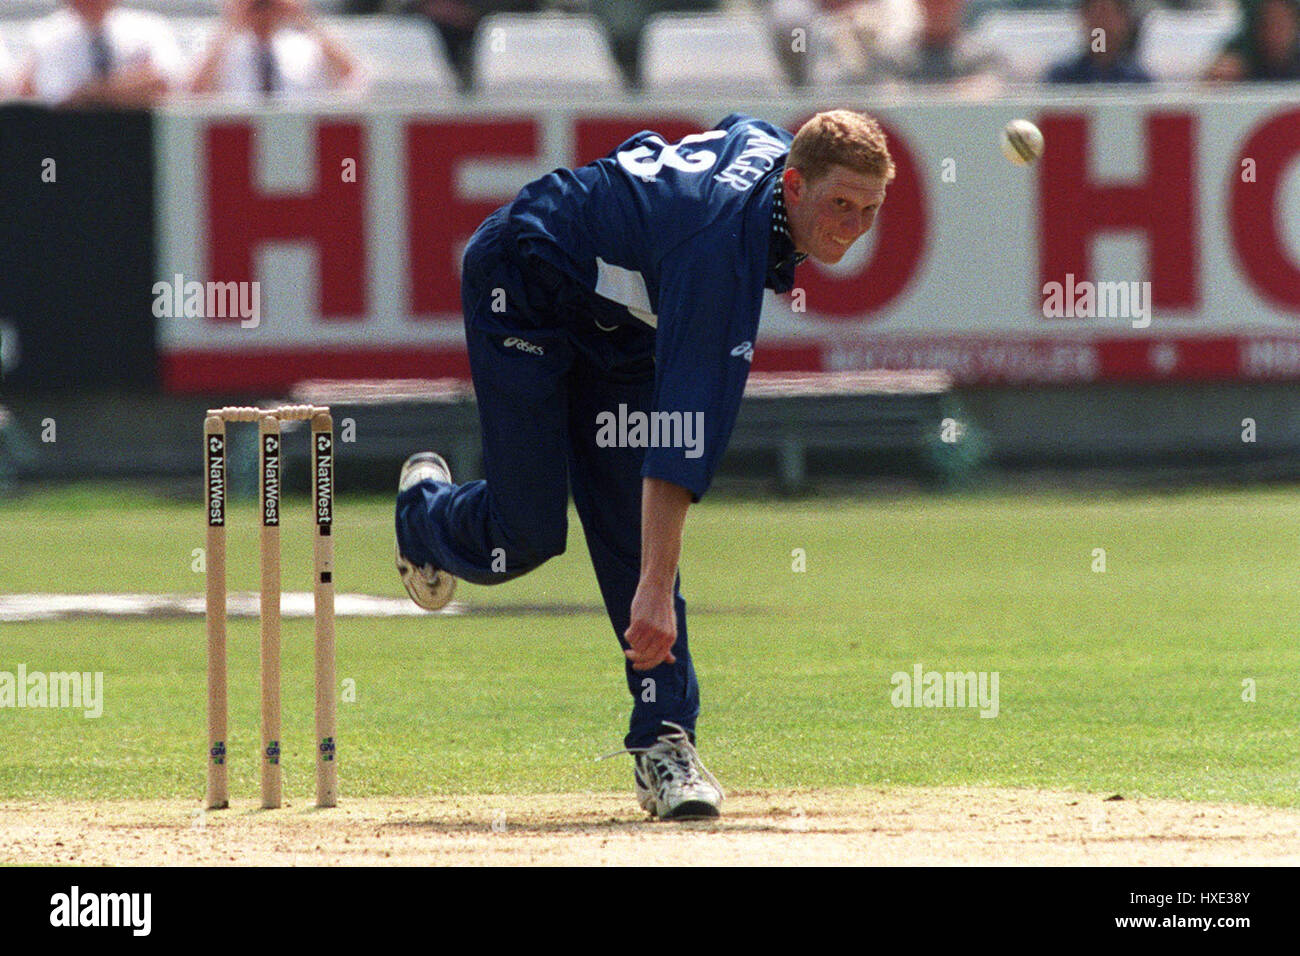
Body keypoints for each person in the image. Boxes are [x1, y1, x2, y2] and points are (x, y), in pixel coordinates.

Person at [394, 111, 894, 820]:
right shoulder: (720, 252)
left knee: (633, 546)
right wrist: (656, 589)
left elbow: (729, 128)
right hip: (527, 282)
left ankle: (664, 742)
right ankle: (425, 513)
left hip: (623, 324)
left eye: (870, 210)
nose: (851, 226)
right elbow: (680, 438)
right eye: (839, 205)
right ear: (793, 183)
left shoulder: (776, 159)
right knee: (526, 535)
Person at [17, 0, 183, 107]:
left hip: (143, 135)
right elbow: (59, 98)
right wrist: (131, 84)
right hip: (74, 138)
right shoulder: (47, 34)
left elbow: (164, 81)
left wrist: (89, 94)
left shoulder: (150, 26)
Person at [189, 0, 366, 100]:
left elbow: (351, 75)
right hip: (239, 140)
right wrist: (233, 19)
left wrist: (302, 17)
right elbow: (193, 93)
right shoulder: (218, 47)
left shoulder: (307, 46)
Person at [1046, 0, 1152, 84]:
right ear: (1083, 17)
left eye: (1109, 14)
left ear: (1124, 20)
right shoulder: (1062, 77)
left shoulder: (1138, 80)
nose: (1103, 23)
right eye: (1097, 14)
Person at [1205, 0, 1300, 81]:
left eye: (1281, 25)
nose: (1274, 32)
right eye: (1265, 24)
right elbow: (1216, 76)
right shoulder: (1242, 48)